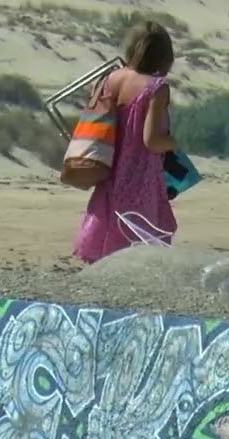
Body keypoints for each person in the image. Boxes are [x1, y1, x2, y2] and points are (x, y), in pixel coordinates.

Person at [72, 21, 180, 264]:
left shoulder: (111, 79)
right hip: (139, 174)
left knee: (108, 223)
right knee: (139, 240)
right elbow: (151, 140)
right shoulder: (156, 88)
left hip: (109, 165)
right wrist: (173, 143)